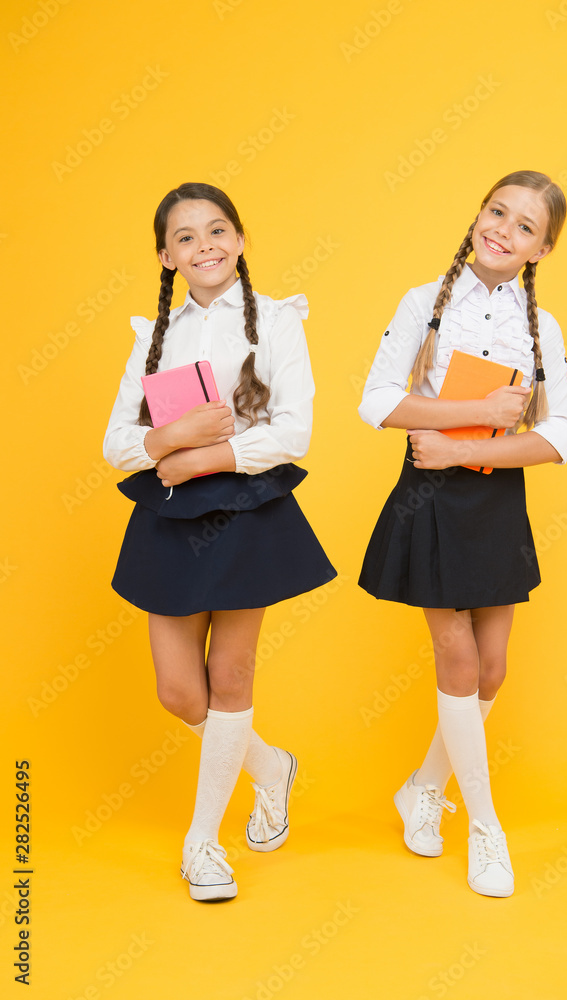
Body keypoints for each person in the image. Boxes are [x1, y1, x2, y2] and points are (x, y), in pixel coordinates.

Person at [103, 182, 335, 902]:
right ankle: (271, 769)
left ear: (239, 239)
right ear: (166, 255)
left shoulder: (276, 320)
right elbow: (117, 444)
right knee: (179, 691)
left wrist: (196, 458)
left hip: (245, 508)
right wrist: (170, 440)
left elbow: (294, 431)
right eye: (185, 236)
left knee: (231, 677)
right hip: (168, 515)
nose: (204, 245)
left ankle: (203, 843)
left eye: (217, 230)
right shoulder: (154, 336)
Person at [358, 171, 567, 897]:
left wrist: (463, 446)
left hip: (493, 499)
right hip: (428, 498)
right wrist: (469, 414)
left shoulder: (541, 328)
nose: (502, 230)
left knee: (491, 671)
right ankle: (485, 830)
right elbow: (379, 403)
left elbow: (557, 437)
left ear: (541, 248)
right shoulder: (424, 303)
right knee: (456, 664)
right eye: (496, 212)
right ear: (478, 213)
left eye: (523, 226)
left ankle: (422, 786)